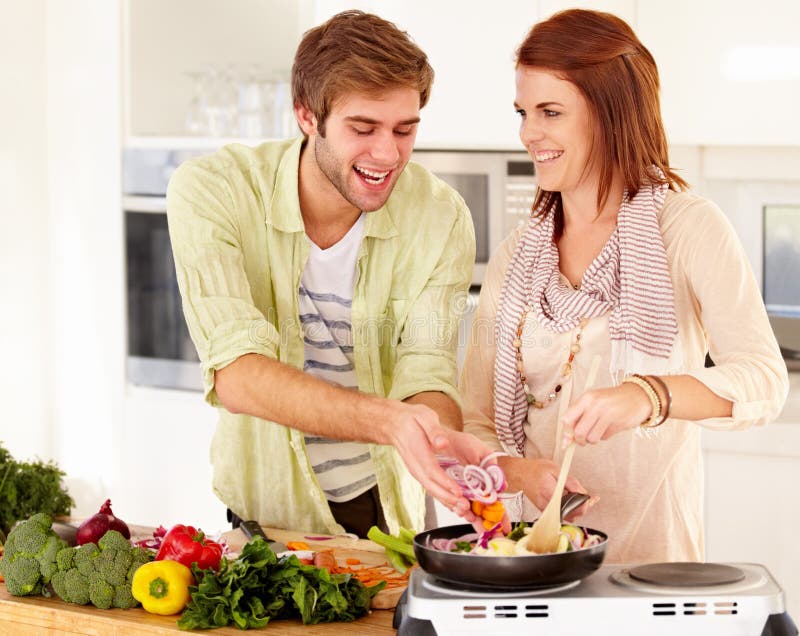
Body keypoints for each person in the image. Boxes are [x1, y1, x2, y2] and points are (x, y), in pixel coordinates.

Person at [460, 8, 789, 563]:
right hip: (534, 562)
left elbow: (763, 381)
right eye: (523, 112)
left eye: (550, 112)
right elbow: (476, 416)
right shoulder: (519, 254)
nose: (527, 133)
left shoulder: (685, 228)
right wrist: (521, 474)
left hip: (653, 563)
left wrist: (648, 395)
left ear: (610, 113)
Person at [167, 10, 492, 538]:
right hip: (263, 512)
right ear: (306, 115)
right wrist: (391, 422)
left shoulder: (441, 216)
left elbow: (426, 367)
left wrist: (436, 433)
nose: (387, 154)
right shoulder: (215, 192)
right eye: (362, 128)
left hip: (387, 511)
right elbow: (237, 372)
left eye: (404, 130)